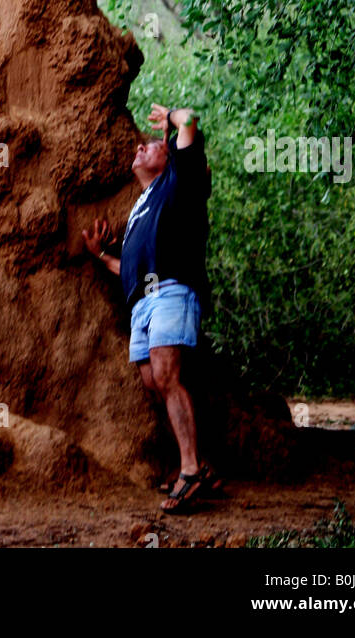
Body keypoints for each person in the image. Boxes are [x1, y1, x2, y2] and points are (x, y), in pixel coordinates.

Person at [82, 102, 219, 513]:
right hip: (143, 302)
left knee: (166, 373)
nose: (140, 148)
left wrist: (174, 116)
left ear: (169, 153)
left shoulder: (180, 180)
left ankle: (190, 472)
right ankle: (200, 465)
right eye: (138, 148)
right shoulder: (142, 205)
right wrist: (103, 256)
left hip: (172, 291)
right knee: (152, 381)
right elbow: (135, 269)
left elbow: (192, 119)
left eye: (150, 145)